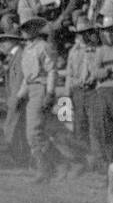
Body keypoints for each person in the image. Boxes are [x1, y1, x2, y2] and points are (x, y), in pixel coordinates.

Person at [15, 16, 73, 182]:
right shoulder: (28, 50)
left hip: (41, 89)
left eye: (28, 28)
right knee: (32, 133)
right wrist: (21, 95)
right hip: (32, 89)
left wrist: (49, 93)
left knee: (34, 132)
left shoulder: (43, 47)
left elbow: (51, 71)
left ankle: (58, 165)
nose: (24, 32)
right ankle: (47, 169)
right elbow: (28, 77)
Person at [64, 18, 100, 173]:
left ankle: (96, 163)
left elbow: (99, 71)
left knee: (94, 128)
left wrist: (93, 78)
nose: (84, 36)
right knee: (79, 128)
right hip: (78, 92)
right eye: (81, 33)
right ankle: (80, 163)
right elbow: (69, 74)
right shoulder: (74, 51)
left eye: (87, 32)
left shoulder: (97, 50)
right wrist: (67, 95)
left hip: (93, 92)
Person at [0, 23, 29, 164]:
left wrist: (15, 98)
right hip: (15, 97)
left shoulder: (19, 55)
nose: (3, 44)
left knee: (11, 128)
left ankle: (18, 159)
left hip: (17, 97)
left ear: (13, 41)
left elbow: (19, 79)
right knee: (16, 129)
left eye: (5, 40)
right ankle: (21, 159)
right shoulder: (14, 55)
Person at [90, 17, 113, 166]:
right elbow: (95, 72)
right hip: (104, 91)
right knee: (104, 126)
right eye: (106, 31)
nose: (109, 34)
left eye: (112, 30)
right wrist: (108, 71)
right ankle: (109, 163)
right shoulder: (100, 51)